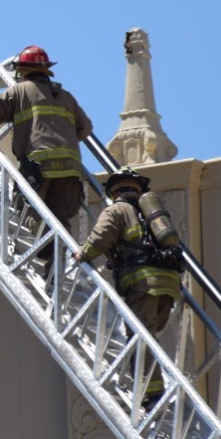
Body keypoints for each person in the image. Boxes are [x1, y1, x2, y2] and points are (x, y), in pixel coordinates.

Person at [74, 167, 182, 404]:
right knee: (149, 336)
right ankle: (152, 390)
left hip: (142, 283)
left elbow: (102, 237)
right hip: (169, 284)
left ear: (113, 191)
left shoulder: (117, 210)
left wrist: (82, 254)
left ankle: (150, 394)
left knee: (140, 338)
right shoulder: (152, 214)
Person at [0, 45, 91, 228]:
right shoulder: (66, 97)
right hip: (70, 169)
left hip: (38, 167)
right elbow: (85, 128)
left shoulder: (20, 91)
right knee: (60, 218)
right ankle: (58, 254)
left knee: (26, 207)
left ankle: (48, 247)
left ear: (22, 71)